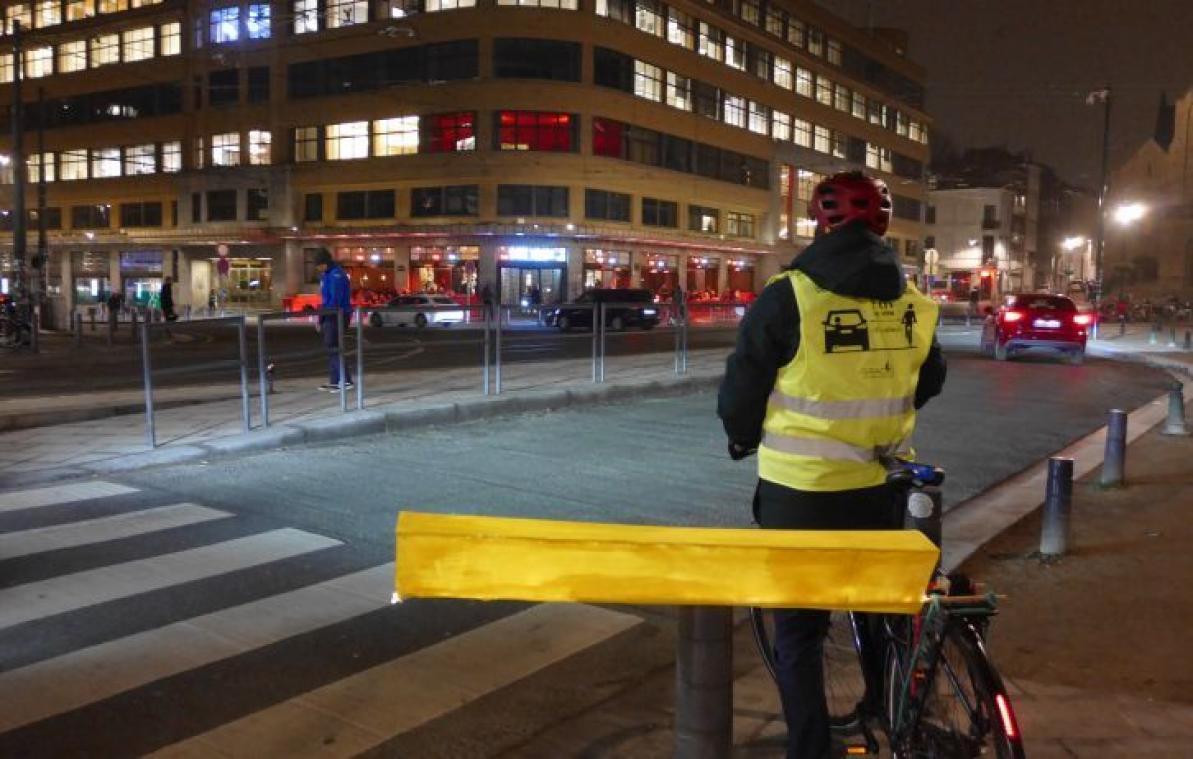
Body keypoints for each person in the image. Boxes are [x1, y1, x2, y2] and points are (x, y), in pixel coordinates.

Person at [718, 171, 946, 759]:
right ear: (883, 226)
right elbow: (930, 379)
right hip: (883, 487)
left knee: (800, 635)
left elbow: (743, 387)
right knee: (881, 613)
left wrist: (742, 437)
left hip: (801, 493)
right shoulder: (912, 301)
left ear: (820, 223)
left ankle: (811, 750)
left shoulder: (790, 295)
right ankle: (891, 717)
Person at [313, 248, 353, 392]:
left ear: (324, 263)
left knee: (333, 347)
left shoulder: (336, 275)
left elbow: (334, 301)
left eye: (318, 265)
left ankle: (346, 380)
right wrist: (321, 318)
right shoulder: (327, 275)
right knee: (332, 348)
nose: (317, 268)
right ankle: (335, 381)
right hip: (330, 314)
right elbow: (326, 299)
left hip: (337, 315)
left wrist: (322, 317)